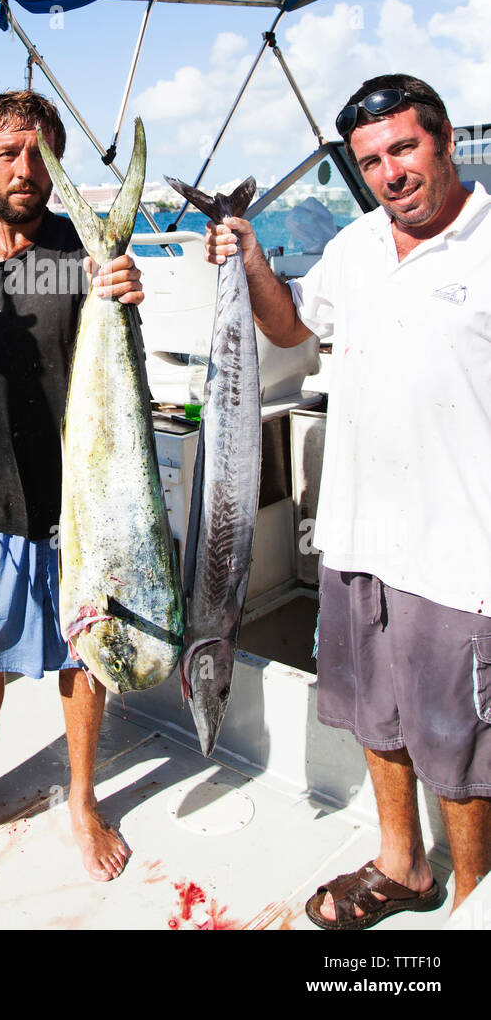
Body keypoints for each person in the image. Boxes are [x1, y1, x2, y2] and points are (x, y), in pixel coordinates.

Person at [205, 73, 491, 930]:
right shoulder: (360, 247)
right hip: (359, 533)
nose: (390, 172)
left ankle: (473, 900)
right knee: (378, 715)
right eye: (370, 160)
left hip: (460, 550)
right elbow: (293, 328)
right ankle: (404, 865)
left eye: (404, 148)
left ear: (444, 141)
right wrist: (251, 259)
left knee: (463, 745)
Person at [0, 90, 143, 882]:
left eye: (40, 155)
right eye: (7, 154)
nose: (24, 170)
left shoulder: (85, 255)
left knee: (86, 653)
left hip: (80, 512)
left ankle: (81, 798)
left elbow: (117, 371)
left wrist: (124, 293)